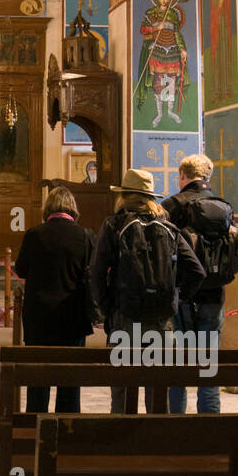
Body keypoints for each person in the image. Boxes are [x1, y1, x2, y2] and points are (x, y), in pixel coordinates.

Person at [90, 169, 205, 413]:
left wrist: (107, 309)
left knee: (121, 391)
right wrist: (176, 297)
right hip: (160, 321)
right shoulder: (169, 228)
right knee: (157, 391)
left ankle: (120, 442)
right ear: (151, 197)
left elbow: (97, 273)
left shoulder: (114, 225)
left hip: (124, 318)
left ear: (124, 196)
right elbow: (197, 271)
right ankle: (155, 443)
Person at [161, 153, 238, 413]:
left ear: (182, 176)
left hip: (182, 296)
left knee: (180, 365)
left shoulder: (171, 206)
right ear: (208, 177)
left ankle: (177, 425)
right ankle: (210, 426)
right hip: (213, 294)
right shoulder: (224, 207)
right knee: (209, 366)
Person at [14, 187, 95, 413]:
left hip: (39, 317)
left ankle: (35, 425)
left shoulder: (35, 234)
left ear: (48, 208)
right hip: (73, 316)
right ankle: (67, 429)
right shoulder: (86, 236)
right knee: (70, 379)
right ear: (73, 208)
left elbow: (21, 270)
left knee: (37, 378)